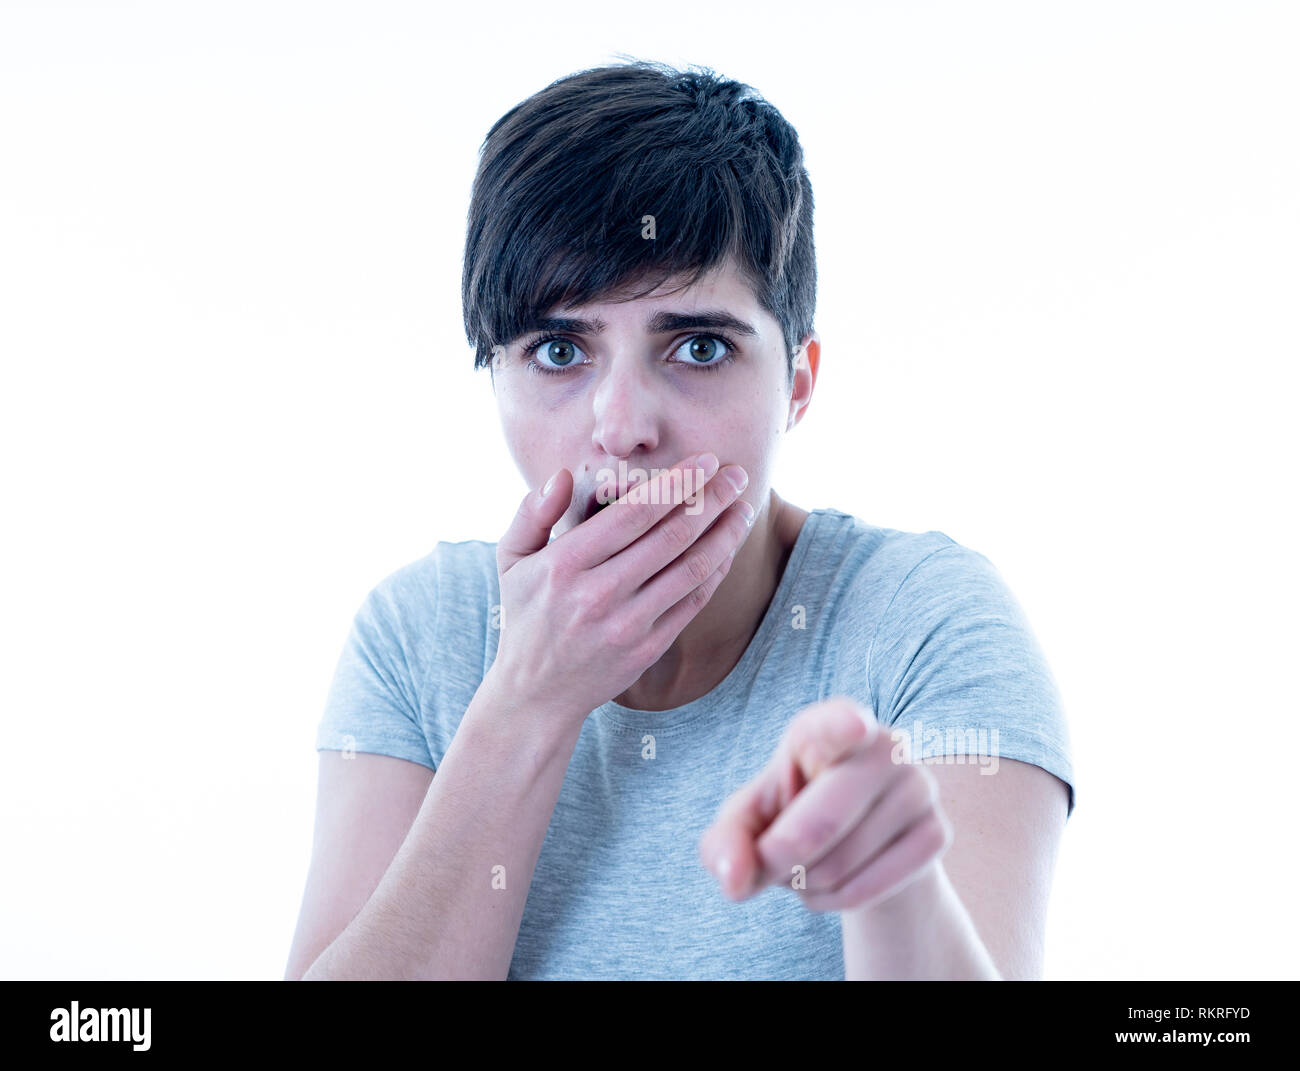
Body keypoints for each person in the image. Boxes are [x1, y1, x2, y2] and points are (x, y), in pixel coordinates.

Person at [283, 59, 1076, 981]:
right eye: (557, 349)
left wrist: (890, 885)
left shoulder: (925, 624)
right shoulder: (419, 636)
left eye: (698, 346)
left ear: (799, 384)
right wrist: (526, 701)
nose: (622, 428)